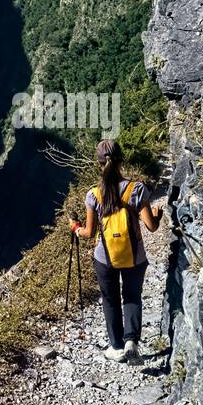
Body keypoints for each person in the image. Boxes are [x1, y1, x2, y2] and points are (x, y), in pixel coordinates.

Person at [71, 139, 162, 362]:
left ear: (99, 163)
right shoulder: (136, 189)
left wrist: (75, 228)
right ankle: (132, 340)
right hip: (135, 256)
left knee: (110, 299)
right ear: (122, 160)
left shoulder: (93, 194)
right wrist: (158, 216)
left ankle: (116, 347)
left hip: (105, 258)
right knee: (132, 296)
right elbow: (151, 227)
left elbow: (89, 233)